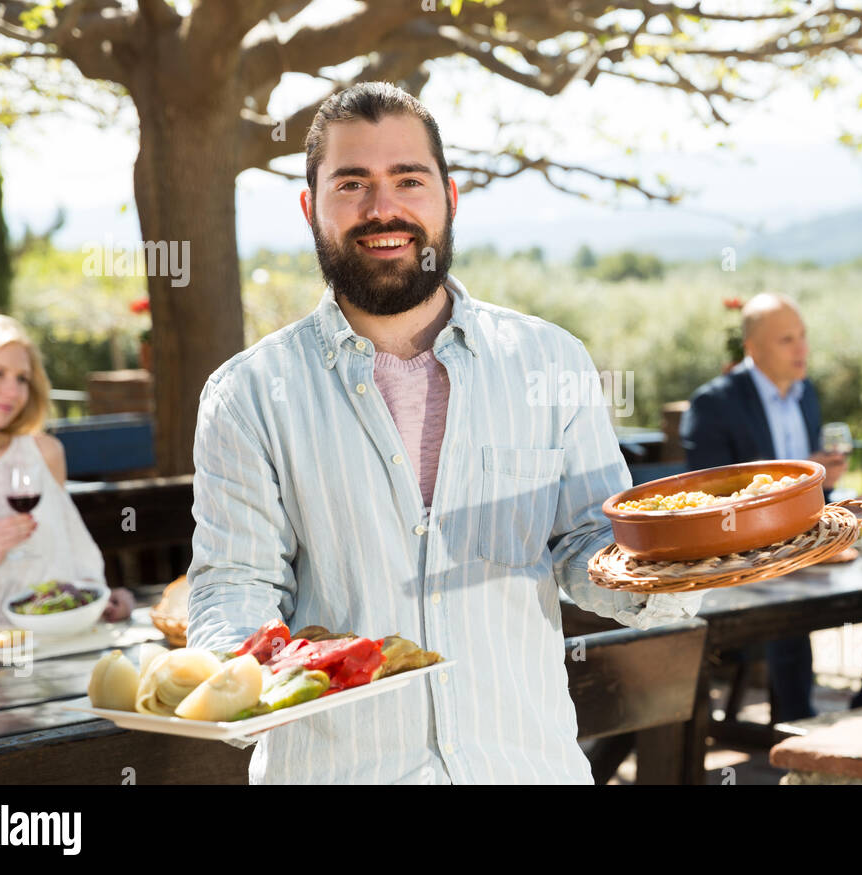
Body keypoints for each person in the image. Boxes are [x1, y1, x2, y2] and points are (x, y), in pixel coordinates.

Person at [185, 82, 702, 785]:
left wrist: (685, 559)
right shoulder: (247, 395)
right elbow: (235, 584)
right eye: (352, 183)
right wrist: (233, 671)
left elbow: (590, 544)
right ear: (312, 208)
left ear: (449, 197)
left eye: (407, 179)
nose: (382, 208)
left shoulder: (550, 361)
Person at [680, 293, 862, 721]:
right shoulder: (715, 405)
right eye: (786, 340)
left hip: (812, 549)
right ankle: (797, 728)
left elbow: (814, 488)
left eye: (803, 336)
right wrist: (804, 479)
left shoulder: (806, 393)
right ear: (753, 348)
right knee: (788, 614)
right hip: (751, 563)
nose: (801, 349)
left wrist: (832, 488)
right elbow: (711, 506)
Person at [0, 315, 122, 632]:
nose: (12, 391)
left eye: (22, 379)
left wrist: (104, 600)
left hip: (53, 641)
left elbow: (67, 554)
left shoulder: (44, 454)